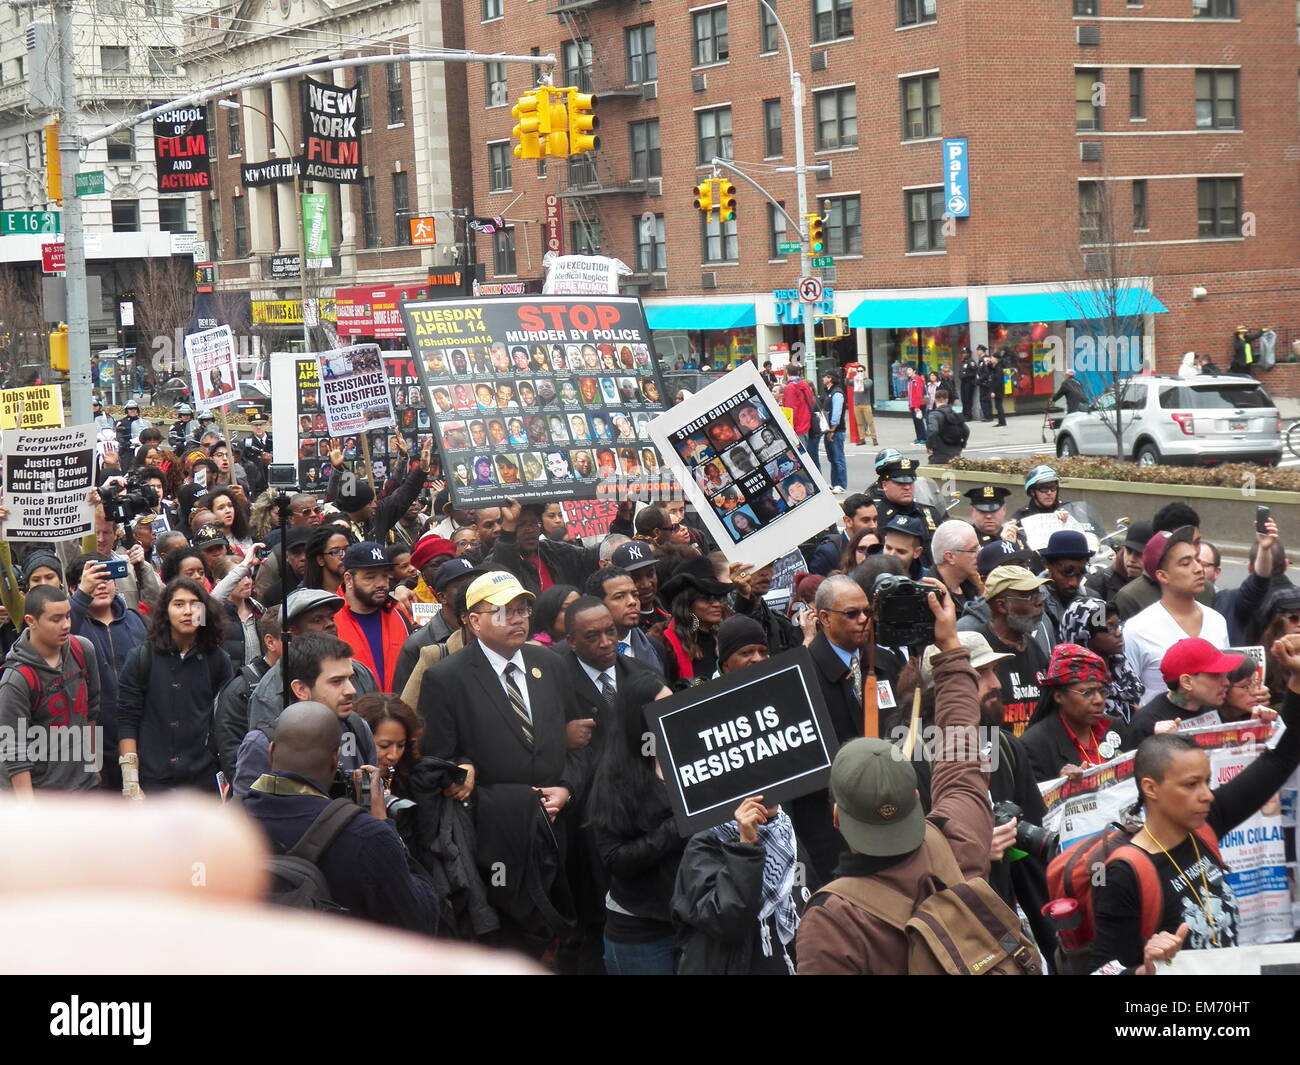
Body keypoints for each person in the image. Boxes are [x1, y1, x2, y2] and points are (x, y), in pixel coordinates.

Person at [796, 585, 997, 974]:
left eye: (865, 612)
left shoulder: (832, 923)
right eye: (849, 614)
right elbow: (960, 755)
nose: (861, 621)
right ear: (917, 796)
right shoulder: (960, 841)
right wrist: (950, 645)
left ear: (838, 817)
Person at [1089, 636, 1300, 973]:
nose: (1206, 794)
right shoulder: (1125, 872)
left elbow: (1280, 759)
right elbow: (1098, 970)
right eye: (1191, 785)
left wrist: (1296, 681)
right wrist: (1146, 969)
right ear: (1151, 788)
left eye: (1206, 781)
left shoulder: (1206, 825)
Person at [418, 570, 587, 958]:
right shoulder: (447, 678)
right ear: (474, 621)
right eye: (504, 611)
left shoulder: (551, 664)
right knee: (513, 943)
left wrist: (567, 788)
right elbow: (437, 759)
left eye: (523, 609)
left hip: (561, 828)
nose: (518, 618)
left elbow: (579, 742)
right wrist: (463, 766)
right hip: (495, 836)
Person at [242, 701, 438, 934]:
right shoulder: (367, 836)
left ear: (271, 752)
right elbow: (418, 921)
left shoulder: (229, 824)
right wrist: (384, 823)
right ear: (335, 759)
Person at [117, 577, 234, 797]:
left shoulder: (218, 660)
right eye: (179, 604)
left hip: (203, 777)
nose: (188, 611)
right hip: (154, 778)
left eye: (194, 604)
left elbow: (227, 721)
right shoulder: (141, 658)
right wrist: (131, 782)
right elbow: (127, 719)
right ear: (166, 611)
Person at [0, 586, 101, 793]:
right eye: (56, 619)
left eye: (67, 616)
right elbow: (13, 751)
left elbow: (92, 709)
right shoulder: (16, 680)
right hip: (46, 796)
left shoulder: (82, 650)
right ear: (31, 621)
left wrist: (93, 763)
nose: (66, 625)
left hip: (86, 786)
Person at [67, 554, 148, 789]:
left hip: (141, 743)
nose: (102, 584)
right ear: (75, 588)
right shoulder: (69, 625)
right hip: (93, 749)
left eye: (108, 577)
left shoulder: (136, 621)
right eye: (94, 578)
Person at [1122, 527, 1230, 703]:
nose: (1198, 569)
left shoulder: (1217, 621)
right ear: (1163, 576)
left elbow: (1225, 682)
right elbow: (1127, 698)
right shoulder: (1137, 630)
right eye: (1185, 563)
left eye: (1197, 559)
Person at [1020, 644, 1125, 783]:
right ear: (1059, 697)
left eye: (1102, 691)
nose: (1099, 700)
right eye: (1087, 693)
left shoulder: (1114, 726)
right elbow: (1032, 801)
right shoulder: (1035, 745)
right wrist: (1061, 787)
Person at [968, 565, 1052, 738]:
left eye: (1039, 594)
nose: (1039, 602)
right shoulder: (977, 647)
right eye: (1030, 596)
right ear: (1002, 606)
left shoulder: (1034, 646)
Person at [1125, 639, 1249, 749]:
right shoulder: (1147, 723)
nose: (1226, 682)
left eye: (1225, 674)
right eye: (1216, 675)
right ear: (1187, 682)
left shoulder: (1216, 704)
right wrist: (1158, 743)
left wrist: (1256, 723)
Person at [332, 542, 413, 693]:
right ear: (349, 579)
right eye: (370, 577)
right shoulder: (330, 621)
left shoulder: (400, 614)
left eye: (384, 576)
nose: (381, 583)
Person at [213, 612, 281, 784]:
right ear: (270, 642)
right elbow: (232, 757)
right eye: (294, 636)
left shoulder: (310, 682)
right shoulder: (241, 689)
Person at [1058, 597, 1143, 726]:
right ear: (1084, 636)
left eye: (1118, 625)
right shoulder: (1074, 681)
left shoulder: (1122, 668)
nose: (1119, 633)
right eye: (1109, 628)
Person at [489, 500, 600, 598]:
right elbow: (502, 576)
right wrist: (507, 535)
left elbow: (592, 556)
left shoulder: (554, 551)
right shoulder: (496, 558)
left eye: (533, 523)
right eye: (520, 525)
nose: (530, 530)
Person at [657, 558, 728, 689]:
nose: (717, 604)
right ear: (687, 604)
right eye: (707, 598)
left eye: (718, 597)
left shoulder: (726, 634)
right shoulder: (666, 644)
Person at [584, 566, 666, 673]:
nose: (632, 602)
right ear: (598, 605)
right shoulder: (582, 654)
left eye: (635, 595)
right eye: (619, 596)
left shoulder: (655, 648)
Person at [1039, 529, 1093, 642]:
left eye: (1080, 574)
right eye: (1066, 572)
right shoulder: (1033, 601)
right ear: (1048, 565)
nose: (1073, 582)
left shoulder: (1094, 600)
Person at [1084, 520, 1151, 604]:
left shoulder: (1163, 586)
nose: (1132, 559)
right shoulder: (1097, 583)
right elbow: (1095, 617)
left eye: (1139, 553)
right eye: (1129, 551)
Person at [925, 520, 981, 615]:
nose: (979, 554)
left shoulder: (973, 586)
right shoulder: (930, 597)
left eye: (979, 547)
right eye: (973, 550)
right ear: (950, 557)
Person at [782, 369, 819, 470]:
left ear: (787, 373)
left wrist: (789, 429)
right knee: (808, 457)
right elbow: (811, 402)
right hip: (806, 425)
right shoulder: (804, 385)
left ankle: (806, 483)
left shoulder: (790, 387)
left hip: (797, 428)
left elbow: (790, 410)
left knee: (799, 460)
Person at [924, 386, 968, 464]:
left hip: (940, 452)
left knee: (933, 473)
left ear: (935, 399)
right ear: (947, 400)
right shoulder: (955, 414)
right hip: (956, 452)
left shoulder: (934, 415)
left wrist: (929, 446)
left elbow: (933, 430)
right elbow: (966, 430)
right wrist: (963, 444)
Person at [821, 369, 847, 492]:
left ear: (830, 378)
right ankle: (835, 482)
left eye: (824, 377)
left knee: (838, 458)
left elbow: (837, 413)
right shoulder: (830, 392)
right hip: (830, 430)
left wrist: (832, 430)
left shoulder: (837, 393)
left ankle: (841, 484)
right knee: (832, 458)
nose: (823, 379)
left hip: (836, 431)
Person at [849, 366, 878, 446]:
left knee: (870, 422)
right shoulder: (855, 380)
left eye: (861, 371)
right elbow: (847, 382)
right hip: (857, 404)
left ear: (864, 372)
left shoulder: (868, 381)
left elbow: (865, 387)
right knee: (859, 423)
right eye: (858, 371)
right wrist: (848, 373)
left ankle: (874, 438)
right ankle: (862, 439)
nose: (860, 372)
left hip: (866, 404)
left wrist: (860, 378)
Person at [904, 365, 926, 444]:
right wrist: (910, 405)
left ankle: (923, 438)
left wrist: (917, 406)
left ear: (914, 371)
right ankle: (919, 437)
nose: (908, 371)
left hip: (919, 404)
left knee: (919, 421)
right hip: (913, 404)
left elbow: (918, 394)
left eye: (909, 370)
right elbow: (910, 395)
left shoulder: (917, 379)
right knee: (916, 422)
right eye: (907, 370)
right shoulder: (910, 380)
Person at [957, 347, 979, 421]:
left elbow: (975, 371)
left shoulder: (971, 362)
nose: (963, 354)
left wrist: (968, 376)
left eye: (965, 353)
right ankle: (964, 414)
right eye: (962, 353)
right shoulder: (963, 362)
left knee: (968, 399)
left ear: (969, 354)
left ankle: (968, 415)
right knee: (963, 398)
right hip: (963, 382)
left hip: (969, 382)